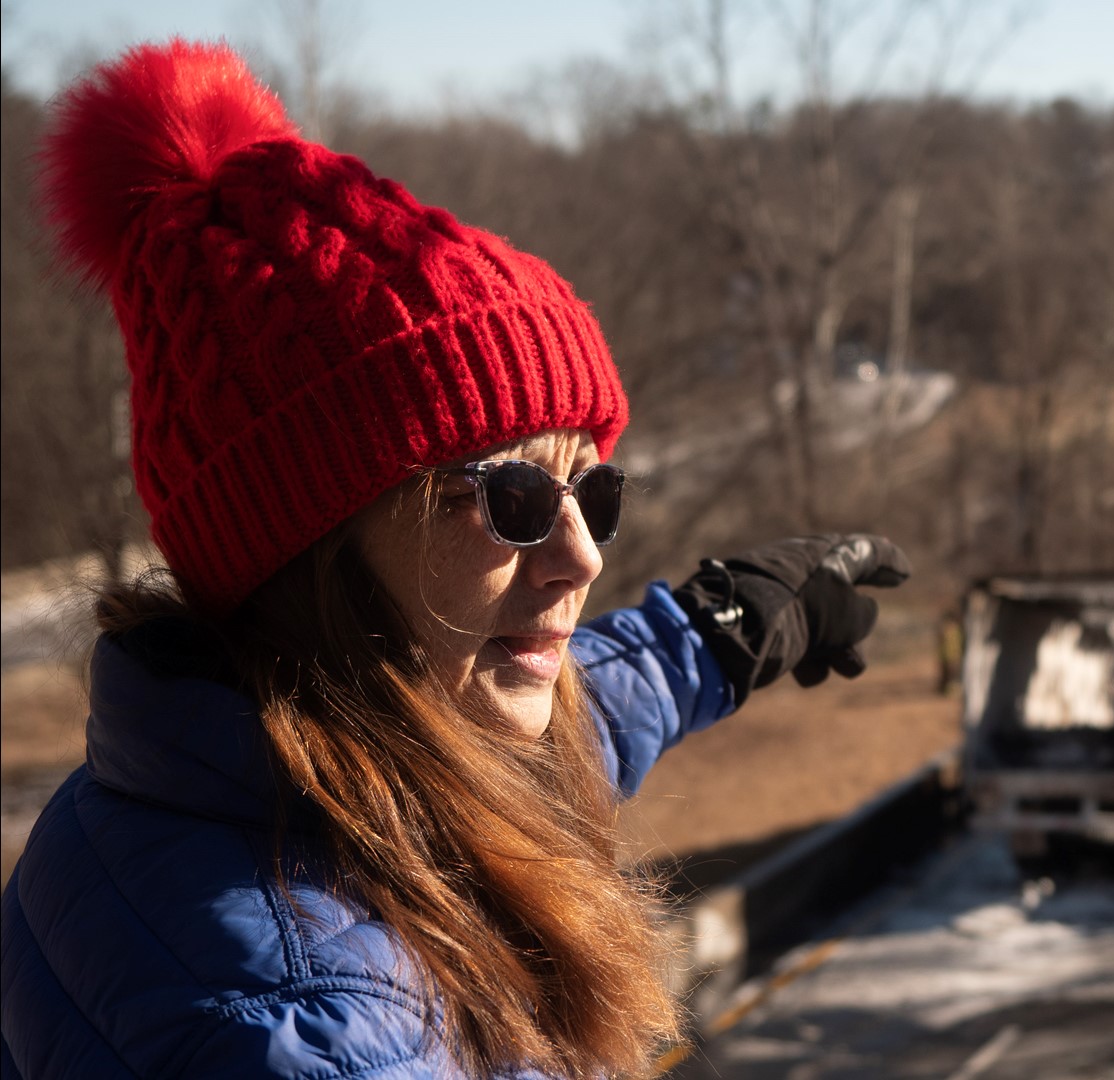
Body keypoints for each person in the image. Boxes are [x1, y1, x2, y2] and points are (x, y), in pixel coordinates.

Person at [0, 40, 908, 1079]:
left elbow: (531, 736)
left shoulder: (211, 777)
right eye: (511, 499)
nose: (581, 555)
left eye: (591, 489)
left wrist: (721, 628)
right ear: (313, 554)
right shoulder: (308, 1026)